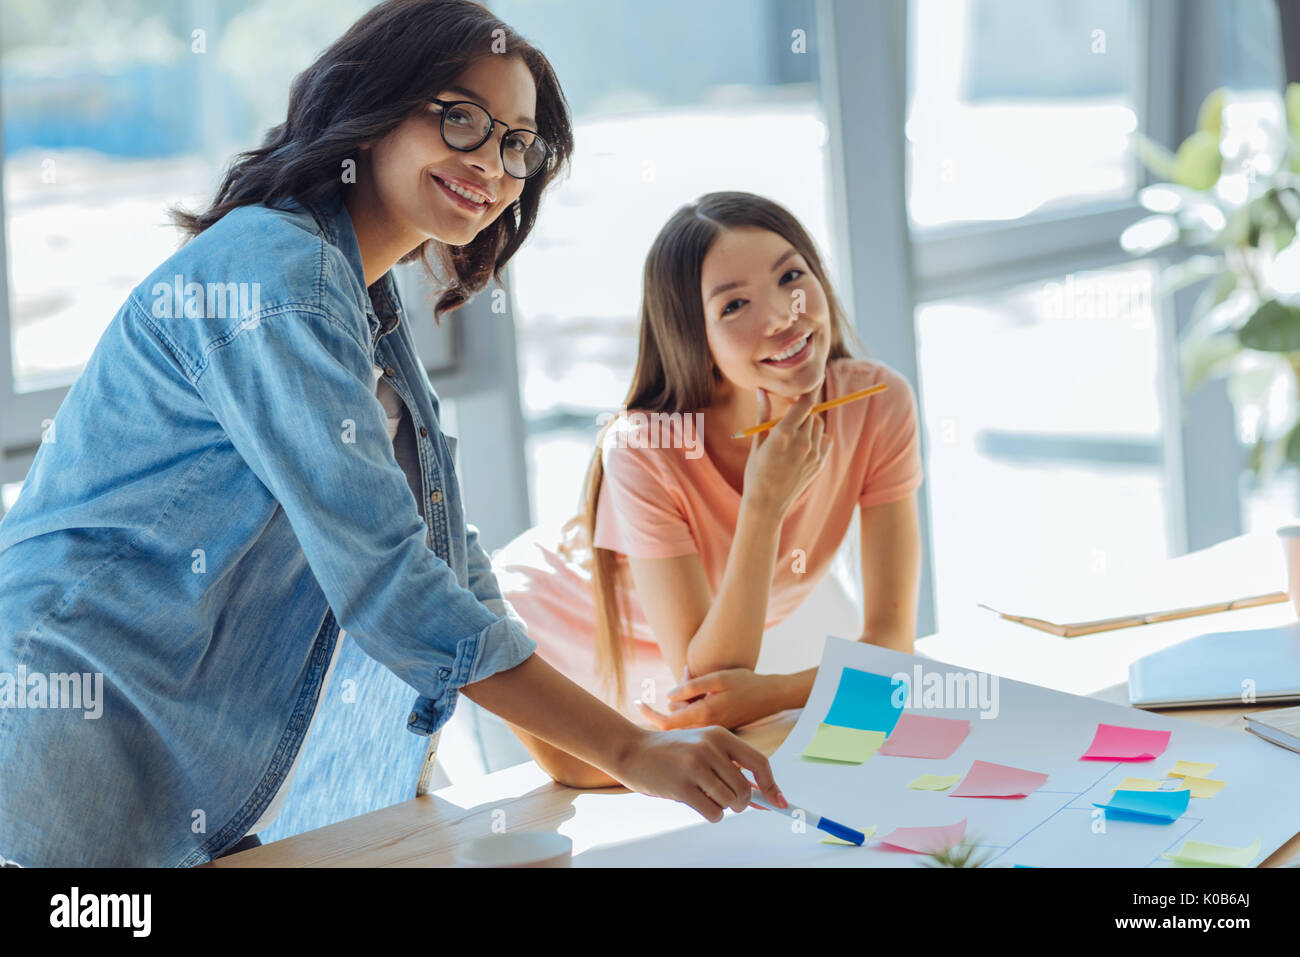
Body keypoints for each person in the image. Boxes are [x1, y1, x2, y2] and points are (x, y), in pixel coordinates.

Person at [0, 0, 784, 868]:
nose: (491, 162)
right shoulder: (281, 278)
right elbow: (389, 580)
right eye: (462, 119)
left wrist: (597, 750)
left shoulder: (356, 289)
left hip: (164, 740)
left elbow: (439, 546)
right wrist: (632, 749)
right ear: (369, 107)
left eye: (516, 144)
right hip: (69, 728)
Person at [489, 191, 925, 788]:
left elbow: (894, 646)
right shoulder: (646, 446)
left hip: (713, 636)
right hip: (567, 624)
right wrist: (764, 504)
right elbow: (711, 678)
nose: (781, 316)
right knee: (587, 789)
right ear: (695, 337)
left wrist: (766, 693)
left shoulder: (878, 403)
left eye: (791, 277)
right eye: (735, 305)